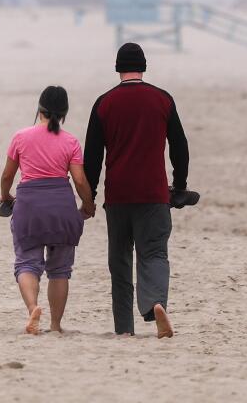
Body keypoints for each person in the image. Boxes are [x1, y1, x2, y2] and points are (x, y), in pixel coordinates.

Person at [84, 42, 190, 338]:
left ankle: (124, 329)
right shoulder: (162, 99)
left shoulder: (104, 103)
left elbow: (92, 157)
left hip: (117, 198)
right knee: (154, 254)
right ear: (144, 67)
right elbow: (180, 148)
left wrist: (89, 197)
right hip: (154, 195)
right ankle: (156, 304)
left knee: (119, 263)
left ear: (118, 68)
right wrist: (179, 186)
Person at [0, 85, 96, 335]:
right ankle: (55, 325)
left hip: (29, 206)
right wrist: (88, 204)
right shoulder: (70, 141)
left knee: (26, 264)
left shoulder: (21, 137)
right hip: (61, 208)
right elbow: (80, 180)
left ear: (39, 108)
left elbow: (8, 174)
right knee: (60, 270)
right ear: (64, 112)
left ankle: (33, 308)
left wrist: (5, 197)